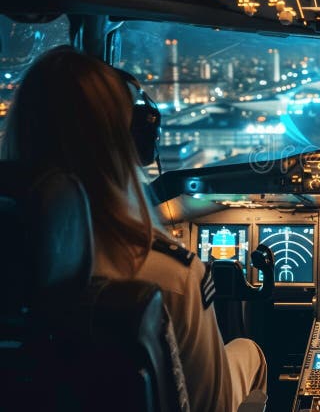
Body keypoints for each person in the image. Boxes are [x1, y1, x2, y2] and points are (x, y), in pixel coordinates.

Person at [1, 46, 267, 412]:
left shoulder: (12, 269)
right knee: (251, 352)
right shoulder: (172, 275)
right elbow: (213, 406)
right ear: (133, 143)